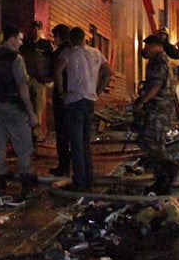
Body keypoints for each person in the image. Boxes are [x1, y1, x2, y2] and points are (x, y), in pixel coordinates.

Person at [53, 26, 112, 191]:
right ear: (85, 39)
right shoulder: (96, 53)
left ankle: (79, 181)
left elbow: (57, 70)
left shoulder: (68, 53)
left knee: (76, 143)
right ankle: (89, 178)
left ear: (70, 40)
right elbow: (108, 72)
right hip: (90, 101)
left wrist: (61, 92)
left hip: (74, 100)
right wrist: (98, 91)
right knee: (85, 142)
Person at [0, 25, 38, 199]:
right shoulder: (16, 58)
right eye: (20, 39)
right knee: (23, 147)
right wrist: (31, 112)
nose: (21, 43)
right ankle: (26, 187)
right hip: (13, 108)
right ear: (12, 38)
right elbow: (22, 86)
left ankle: (0, 187)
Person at [132, 34, 179, 195]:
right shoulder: (169, 62)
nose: (145, 49)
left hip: (157, 108)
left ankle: (168, 167)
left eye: (148, 46)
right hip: (164, 107)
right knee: (154, 141)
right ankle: (161, 181)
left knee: (149, 140)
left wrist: (143, 102)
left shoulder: (158, 62)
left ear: (156, 46)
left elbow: (157, 85)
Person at [19, 20, 55, 139]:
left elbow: (52, 62)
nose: (35, 31)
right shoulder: (26, 44)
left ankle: (36, 134)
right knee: (25, 104)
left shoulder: (46, 45)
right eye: (34, 29)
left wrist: (49, 78)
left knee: (38, 107)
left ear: (41, 30)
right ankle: (26, 133)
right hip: (28, 78)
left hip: (40, 80)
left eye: (38, 29)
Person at [48, 23, 73, 177]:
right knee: (75, 134)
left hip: (62, 96)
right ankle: (77, 167)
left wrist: (61, 91)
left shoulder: (60, 54)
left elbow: (54, 72)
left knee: (62, 133)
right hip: (78, 96)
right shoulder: (77, 51)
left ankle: (63, 167)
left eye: (54, 37)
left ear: (58, 37)